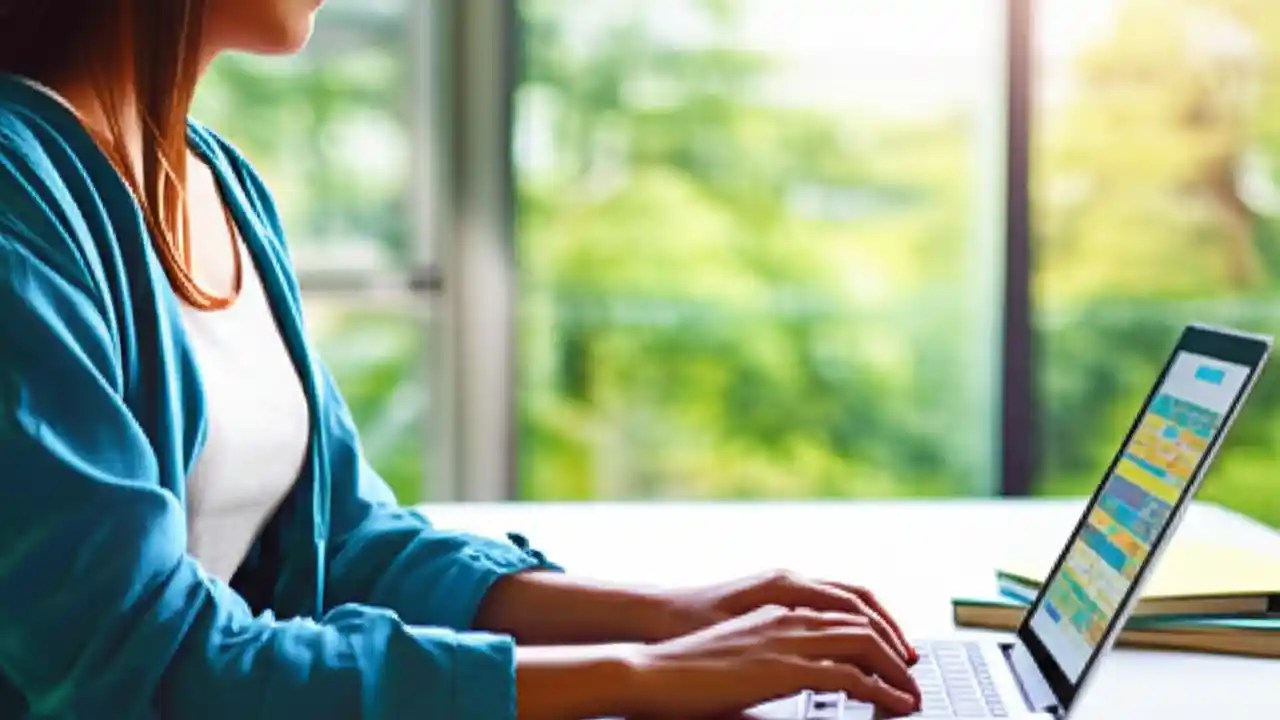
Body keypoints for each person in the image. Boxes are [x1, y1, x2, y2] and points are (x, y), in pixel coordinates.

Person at [0, 1, 922, 718]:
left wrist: (673, 614)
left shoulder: (215, 179)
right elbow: (149, 667)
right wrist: (638, 675)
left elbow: (350, 545)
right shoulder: (17, 197)